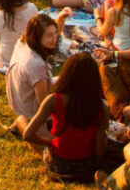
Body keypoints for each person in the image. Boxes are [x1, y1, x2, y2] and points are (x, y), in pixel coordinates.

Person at [23, 53, 110, 182]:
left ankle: (17, 124)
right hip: (87, 168)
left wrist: (50, 143)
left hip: (60, 165)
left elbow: (28, 135)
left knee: (22, 120)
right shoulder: (102, 107)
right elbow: (99, 150)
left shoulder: (54, 100)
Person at [5, 14, 60, 136]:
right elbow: (44, 104)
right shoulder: (36, 64)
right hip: (30, 111)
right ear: (37, 36)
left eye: (55, 33)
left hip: (19, 101)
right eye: (50, 35)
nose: (55, 38)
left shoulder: (23, 41)